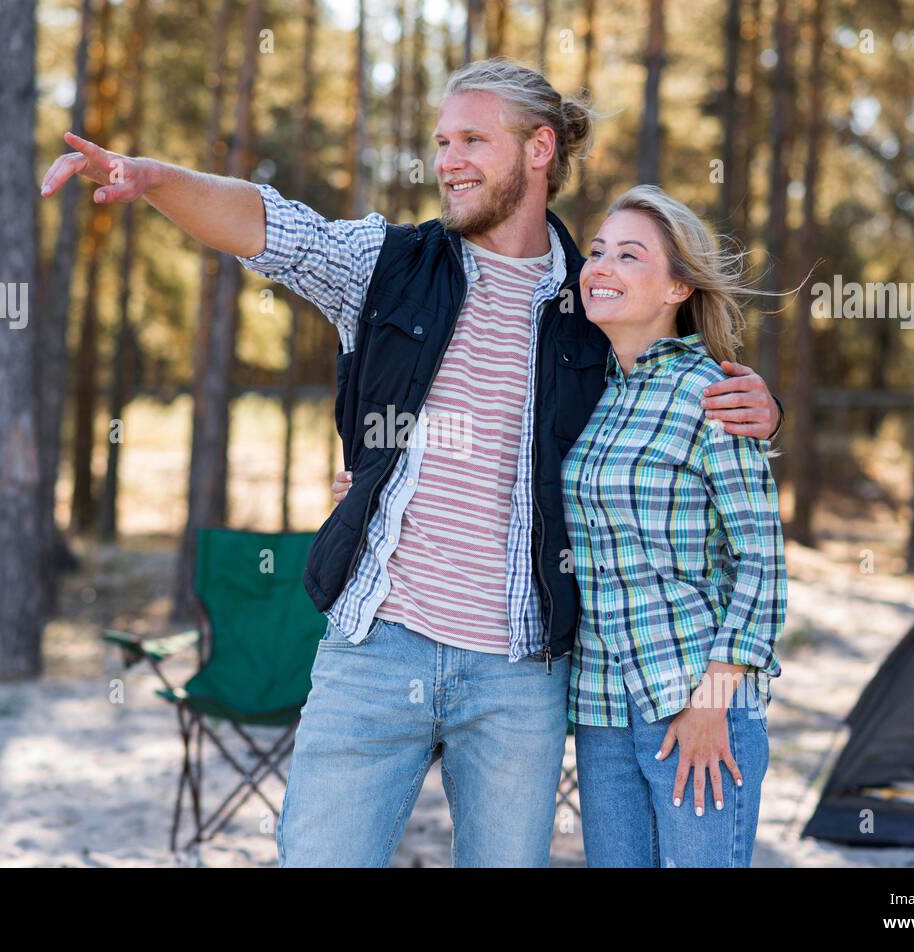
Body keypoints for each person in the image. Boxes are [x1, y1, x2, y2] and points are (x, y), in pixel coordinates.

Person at [41, 57, 782, 867]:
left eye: (472, 138)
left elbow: (661, 381)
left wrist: (754, 405)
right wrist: (152, 179)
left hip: (520, 672)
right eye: (441, 140)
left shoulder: (595, 301)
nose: (447, 159)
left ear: (539, 150)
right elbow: (271, 225)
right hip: (375, 645)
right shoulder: (386, 265)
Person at [564, 185, 785, 867]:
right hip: (601, 707)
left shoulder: (713, 393)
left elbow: (763, 566)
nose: (600, 265)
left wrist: (711, 702)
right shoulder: (589, 391)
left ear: (676, 287)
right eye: (597, 250)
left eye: (629, 255)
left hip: (697, 699)